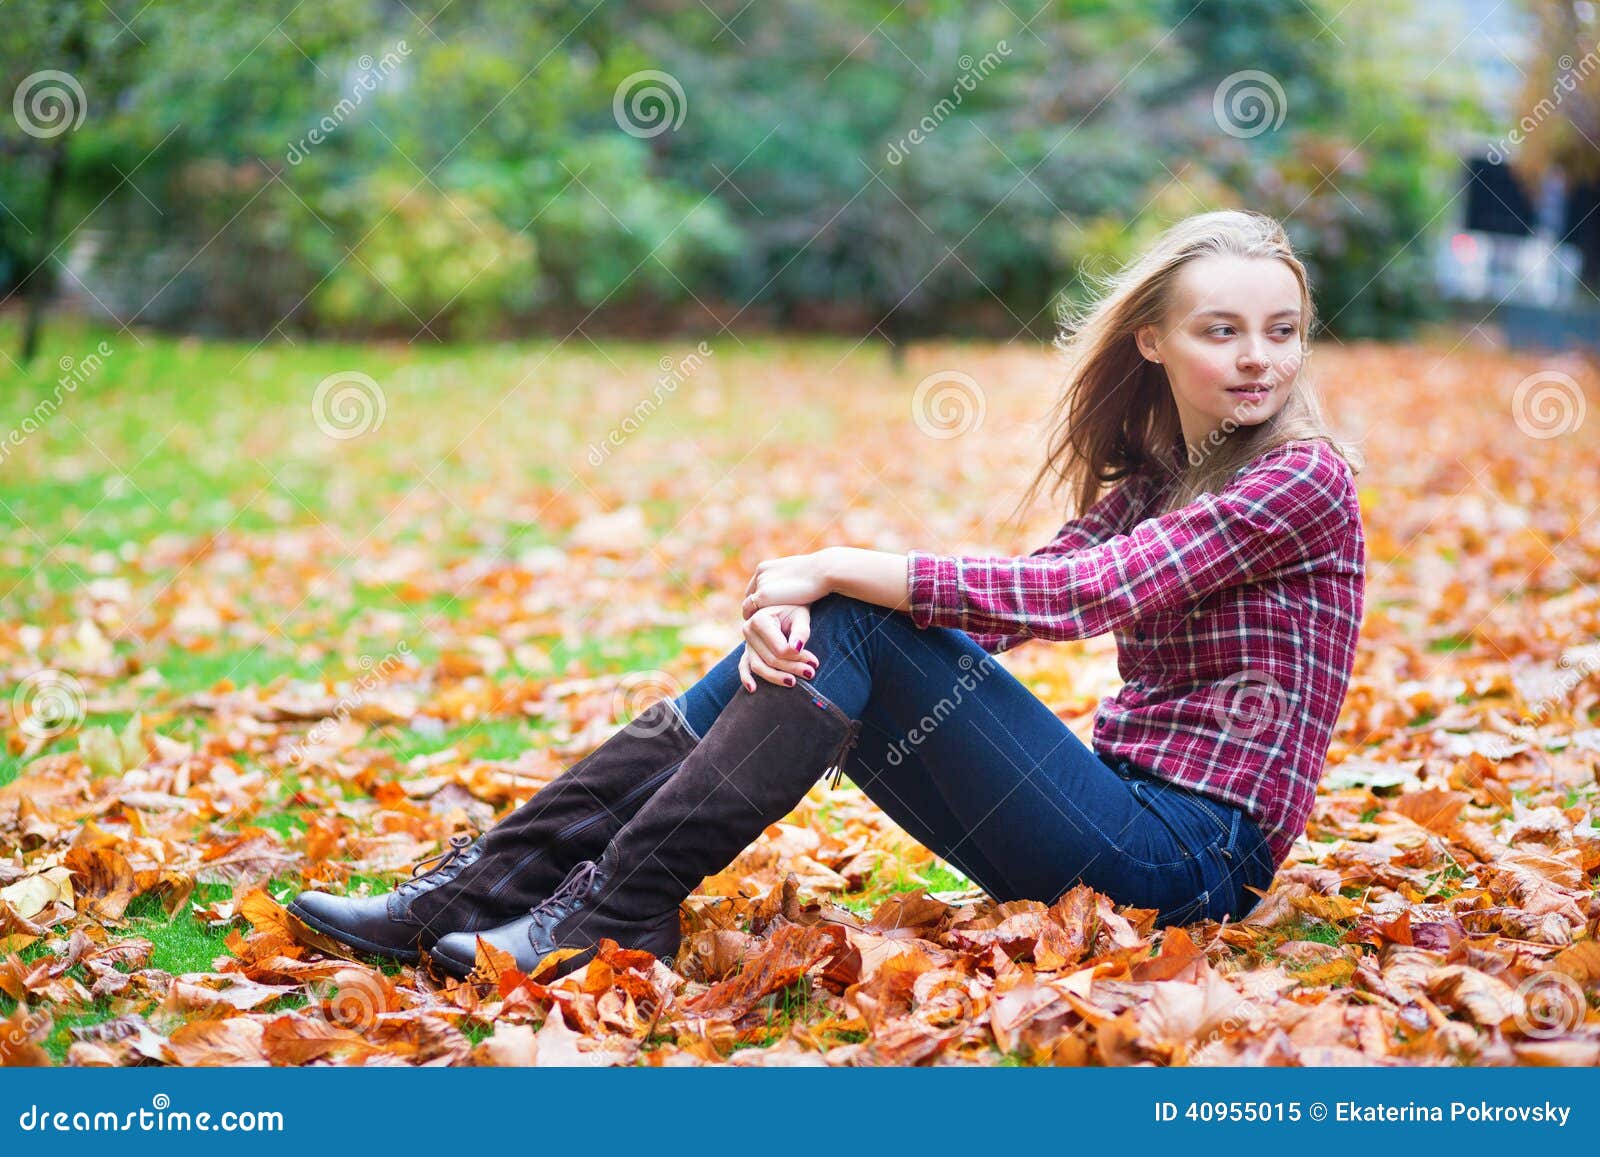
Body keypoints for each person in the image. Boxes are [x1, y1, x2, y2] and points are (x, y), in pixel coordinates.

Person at [290, 208, 1366, 981]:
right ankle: (495, 890)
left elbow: (1082, 593)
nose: (1258, 359)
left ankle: (603, 905)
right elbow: (1006, 606)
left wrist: (836, 566)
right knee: (840, 635)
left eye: (1281, 330)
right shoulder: (1158, 484)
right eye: (1221, 330)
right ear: (1153, 339)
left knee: (853, 618)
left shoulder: (1301, 479)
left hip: (1190, 863)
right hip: (1116, 820)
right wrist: (799, 610)